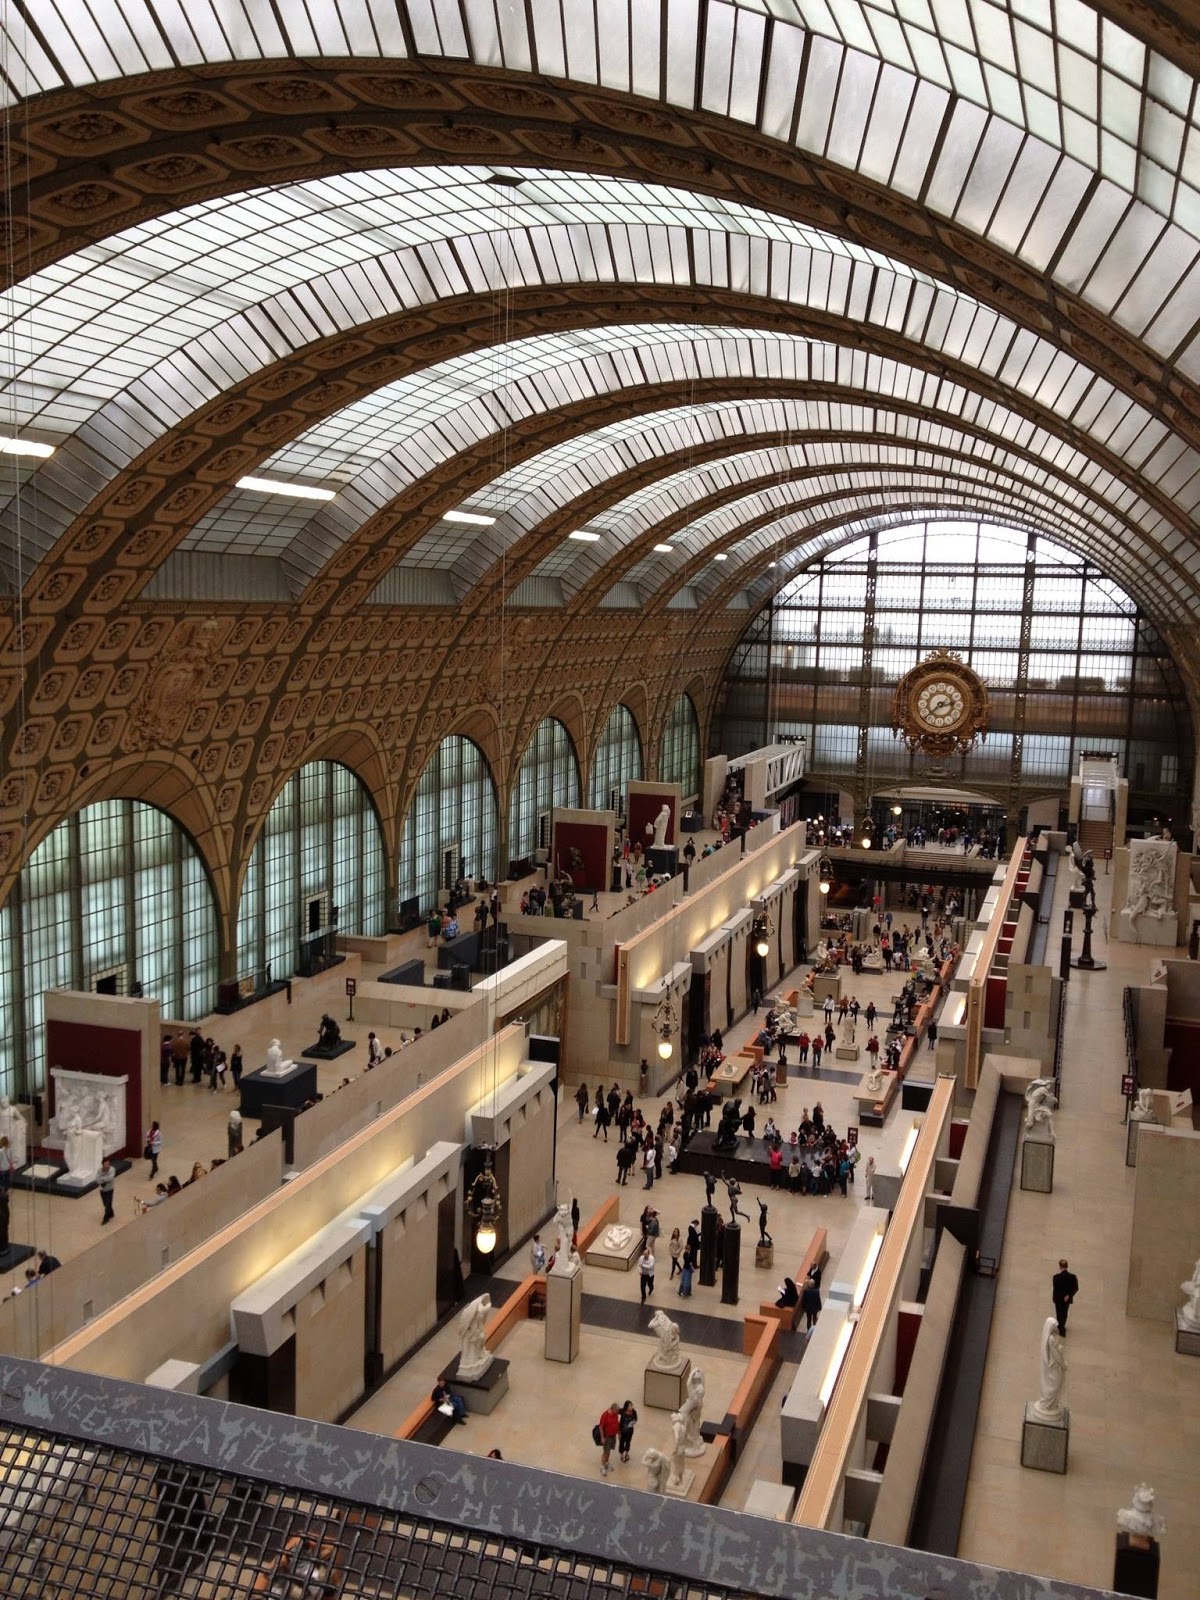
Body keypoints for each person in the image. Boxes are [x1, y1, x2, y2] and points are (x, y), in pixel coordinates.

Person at [1052, 1258, 1079, 1336]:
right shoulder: (1073, 1277)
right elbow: (1076, 1288)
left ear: (1060, 1266)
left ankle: (1061, 1328)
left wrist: (1054, 1298)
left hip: (1058, 1299)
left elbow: (1055, 1289)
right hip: (1066, 1299)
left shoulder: (1056, 1277)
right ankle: (1062, 1326)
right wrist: (1069, 1295)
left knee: (1059, 1313)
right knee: (1064, 1313)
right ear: (1067, 1266)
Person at [598, 1400, 620, 1476]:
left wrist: (618, 1433)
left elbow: (617, 1424)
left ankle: (606, 1463)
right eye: (617, 1411)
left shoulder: (615, 1414)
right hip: (607, 1437)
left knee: (609, 1451)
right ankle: (602, 1466)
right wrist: (602, 1437)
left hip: (613, 1435)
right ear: (612, 1409)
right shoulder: (605, 1415)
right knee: (605, 1452)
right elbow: (601, 1426)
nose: (618, 1412)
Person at [97, 1155, 116, 1225]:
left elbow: (110, 1178)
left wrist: (102, 1178)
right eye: (105, 1164)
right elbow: (97, 1180)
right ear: (103, 1165)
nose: (107, 1165)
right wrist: (104, 1179)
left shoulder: (112, 1169)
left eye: (108, 1164)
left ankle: (106, 1218)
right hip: (102, 1190)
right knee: (105, 1204)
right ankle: (111, 1213)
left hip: (110, 1190)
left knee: (107, 1204)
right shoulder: (100, 1171)